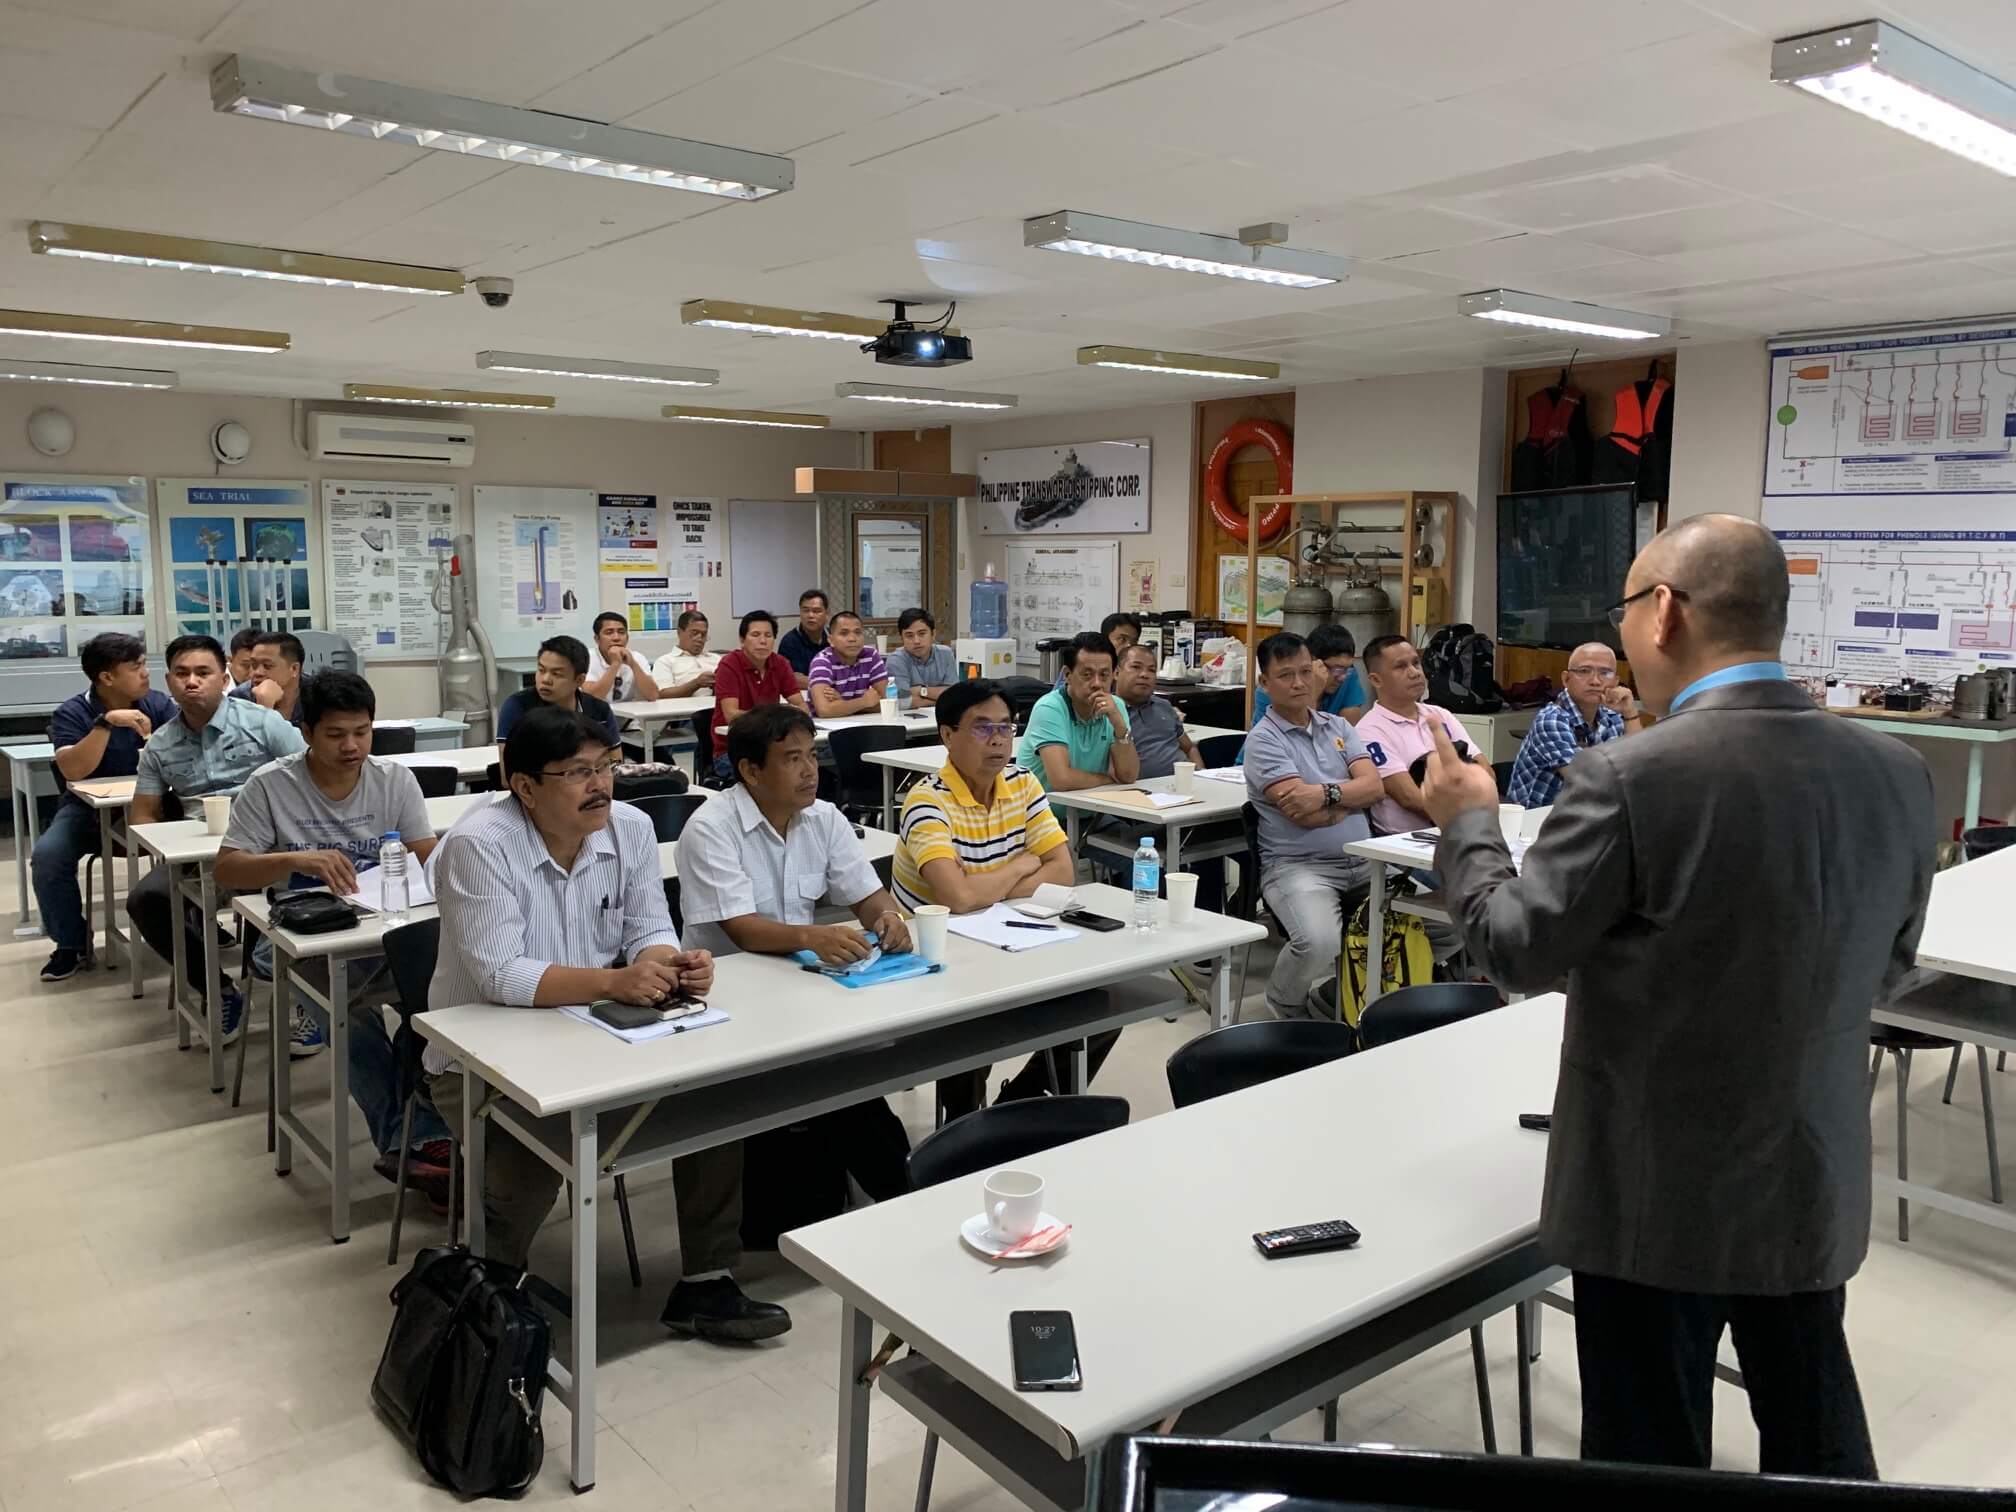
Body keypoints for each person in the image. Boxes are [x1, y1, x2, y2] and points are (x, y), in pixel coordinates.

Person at [1419, 514, 1934, 1478]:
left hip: (1651, 1192)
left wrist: (1471, 824)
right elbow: (1893, 962)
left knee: (1650, 1453)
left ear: (1662, 612)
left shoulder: (1628, 774)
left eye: (1622, 612)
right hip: (1809, 1172)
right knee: (1816, 1430)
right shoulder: (1898, 773)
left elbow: (1514, 948)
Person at [426, 706, 786, 1341]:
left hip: (593, 1031)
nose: (600, 784)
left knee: (710, 1094)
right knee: (535, 1153)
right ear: (526, 785)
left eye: (607, 767)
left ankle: (706, 1281)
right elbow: (500, 976)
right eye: (578, 772)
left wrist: (667, 966)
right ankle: (490, 1304)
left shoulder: (631, 828)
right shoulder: (478, 846)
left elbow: (648, 927)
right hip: (479, 1059)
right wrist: (615, 981)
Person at [213, 670, 454, 1207]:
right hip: (295, 939)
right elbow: (228, 871)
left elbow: (425, 857)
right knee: (348, 1015)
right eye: (336, 735)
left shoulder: (393, 780)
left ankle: (419, 1141)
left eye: (363, 733)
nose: (352, 747)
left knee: (437, 1005)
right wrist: (297, 860)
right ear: (305, 731)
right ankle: (417, 1140)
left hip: (382, 929)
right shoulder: (271, 786)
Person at [676, 703, 915, 1200]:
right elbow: (742, 930)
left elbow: (867, 895)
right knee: (841, 1083)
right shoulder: (711, 828)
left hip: (802, 989)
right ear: (750, 770)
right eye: (792, 759)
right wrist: (812, 937)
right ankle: (904, 1192)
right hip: (726, 1000)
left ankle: (904, 1190)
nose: (811, 771)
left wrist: (887, 918)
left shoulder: (822, 817)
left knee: (855, 1073)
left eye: (811, 755)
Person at [895, 679, 1114, 1117]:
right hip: (938, 962)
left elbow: (1062, 872)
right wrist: (1019, 865)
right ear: (947, 736)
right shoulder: (926, 801)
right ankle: (963, 1123)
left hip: (1012, 938)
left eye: (1005, 728)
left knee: (1101, 1006)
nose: (997, 739)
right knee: (971, 1030)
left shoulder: (1022, 782)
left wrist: (983, 887)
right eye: (981, 728)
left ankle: (1022, 1104)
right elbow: (956, 899)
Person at [128, 634, 305, 1041]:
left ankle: (305, 999)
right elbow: (143, 814)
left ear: (223, 677)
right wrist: (171, 841)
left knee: (300, 897)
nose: (192, 682)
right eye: (182, 673)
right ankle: (219, 990)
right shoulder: (160, 744)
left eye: (203, 672)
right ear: (168, 681)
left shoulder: (264, 724)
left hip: (269, 849)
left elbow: (308, 780)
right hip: (200, 856)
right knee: (146, 899)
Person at [1244, 632, 1384, 1020]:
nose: (1300, 683)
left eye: (1306, 671)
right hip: (1299, 867)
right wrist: (1348, 799)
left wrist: (1325, 796)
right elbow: (1300, 812)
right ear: (1264, 683)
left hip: (1363, 862)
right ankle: (1286, 1001)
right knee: (1319, 941)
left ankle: (1335, 993)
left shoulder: (1338, 727)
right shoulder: (1264, 741)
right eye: (1286, 675)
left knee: (1444, 925)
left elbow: (1374, 786)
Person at [35, 631, 176, 981]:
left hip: (155, 804)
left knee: (202, 841)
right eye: (137, 666)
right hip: (88, 812)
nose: (146, 673)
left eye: (145, 664)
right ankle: (71, 943)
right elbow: (71, 769)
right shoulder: (74, 712)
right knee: (48, 856)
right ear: (107, 677)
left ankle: (191, 924)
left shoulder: (158, 705)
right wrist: (105, 724)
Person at [1355, 634, 1476, 834]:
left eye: (1416, 663)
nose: (1415, 673)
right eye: (1400, 667)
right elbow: (1409, 797)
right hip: (1408, 843)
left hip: (1460, 830)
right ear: (1376, 680)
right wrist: (1466, 819)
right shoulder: (1369, 731)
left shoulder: (1440, 714)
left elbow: (1484, 771)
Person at [1506, 641, 1642, 807]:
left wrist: (1629, 713)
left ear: (1615, 681)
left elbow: (1638, 768)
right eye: (1584, 671)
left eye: (1605, 673)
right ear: (1566, 679)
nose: (1595, 681)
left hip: (1585, 816)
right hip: (1536, 825)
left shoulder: (1611, 717)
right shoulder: (1551, 719)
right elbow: (1588, 780)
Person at [1017, 631, 1137, 791]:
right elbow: (1061, 780)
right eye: (1087, 675)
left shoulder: (1115, 706)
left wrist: (1119, 725)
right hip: (1045, 814)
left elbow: (1128, 776)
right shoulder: (1050, 708)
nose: (1097, 683)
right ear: (1067, 675)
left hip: (1094, 812)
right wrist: (1106, 779)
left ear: (1114, 674)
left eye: (1104, 675)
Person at [710, 610, 808, 781]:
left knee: (811, 768)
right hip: (734, 751)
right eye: (755, 635)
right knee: (779, 776)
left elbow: (802, 707)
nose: (763, 641)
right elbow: (731, 715)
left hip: (774, 746)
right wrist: (774, 718)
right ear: (742, 640)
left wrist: (779, 718)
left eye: (768, 635)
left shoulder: (780, 663)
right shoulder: (729, 664)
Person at [495, 635, 621, 752]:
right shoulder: (518, 706)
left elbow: (615, 763)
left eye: (556, 674)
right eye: (541, 670)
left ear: (579, 680)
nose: (545, 680)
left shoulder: (599, 711)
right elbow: (509, 769)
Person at [1248, 623, 1366, 730]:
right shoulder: (1272, 688)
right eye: (1337, 669)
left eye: (1347, 668)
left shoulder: (1349, 676)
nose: (1342, 677)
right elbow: (1300, 738)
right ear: (1313, 661)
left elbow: (1347, 735)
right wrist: (1313, 692)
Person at [1113, 643, 1198, 777]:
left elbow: (1189, 748)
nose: (1144, 675)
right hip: (1140, 790)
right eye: (1136, 667)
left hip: (1183, 784)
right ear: (1116, 673)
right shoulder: (1109, 712)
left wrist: (1202, 775)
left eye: (1151, 670)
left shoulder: (1164, 706)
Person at [806, 610, 889, 717]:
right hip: (827, 729)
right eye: (844, 633)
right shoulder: (822, 661)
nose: (852, 639)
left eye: (858, 632)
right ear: (831, 640)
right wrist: (864, 702)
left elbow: (886, 702)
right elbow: (824, 710)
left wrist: (842, 703)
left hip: (865, 723)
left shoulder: (871, 655)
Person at [227, 630, 307, 727]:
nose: (257, 673)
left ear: (294, 669)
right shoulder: (239, 698)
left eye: (267, 665)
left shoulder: (318, 695)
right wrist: (263, 708)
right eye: (253, 665)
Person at [583, 610, 659, 704]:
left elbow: (653, 695)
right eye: (609, 632)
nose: (616, 638)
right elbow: (592, 698)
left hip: (630, 716)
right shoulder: (586, 658)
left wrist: (633, 665)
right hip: (596, 717)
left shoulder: (637, 657)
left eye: (621, 632)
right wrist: (615, 664)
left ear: (627, 638)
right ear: (597, 639)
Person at [888, 607, 957, 708]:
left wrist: (921, 691)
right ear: (901, 638)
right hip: (909, 720)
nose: (916, 641)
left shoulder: (945, 653)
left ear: (933, 634)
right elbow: (902, 702)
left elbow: (955, 694)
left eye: (922, 634)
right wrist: (942, 699)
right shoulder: (896, 660)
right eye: (909, 636)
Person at [1054, 612, 1142, 688]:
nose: (1129, 645)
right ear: (1105, 638)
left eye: (1134, 641)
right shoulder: (1079, 664)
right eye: (1122, 639)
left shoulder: (1136, 671)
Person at [651, 610, 720, 696]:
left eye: (703, 634)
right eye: (694, 633)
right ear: (679, 632)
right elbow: (662, 694)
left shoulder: (717, 659)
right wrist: (696, 684)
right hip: (686, 709)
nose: (699, 639)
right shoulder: (665, 662)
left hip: (717, 707)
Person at [777, 588, 829, 677]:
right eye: (805, 610)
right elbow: (790, 678)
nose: (810, 615)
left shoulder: (834, 638)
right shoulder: (789, 641)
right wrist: (822, 683)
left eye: (816, 611)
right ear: (800, 613)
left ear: (826, 614)